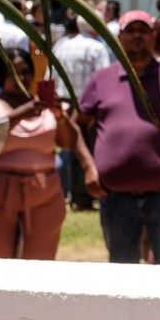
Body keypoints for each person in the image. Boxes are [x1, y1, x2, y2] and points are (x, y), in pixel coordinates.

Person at [78, 9, 160, 264]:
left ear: (154, 36)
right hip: (116, 197)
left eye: (143, 31)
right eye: (130, 31)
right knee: (122, 275)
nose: (137, 37)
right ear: (119, 38)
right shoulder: (102, 80)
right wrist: (88, 165)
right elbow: (76, 126)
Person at [0, 50, 83, 258]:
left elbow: (69, 142)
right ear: (2, 76)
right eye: (14, 73)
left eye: (27, 72)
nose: (22, 78)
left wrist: (60, 116)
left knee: (38, 267)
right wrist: (23, 113)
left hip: (44, 196)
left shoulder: (47, 106)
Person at [53, 11, 111, 212]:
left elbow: (51, 75)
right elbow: (104, 79)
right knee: (90, 149)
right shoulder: (97, 47)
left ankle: (76, 196)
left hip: (65, 102)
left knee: (72, 149)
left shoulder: (62, 45)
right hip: (89, 105)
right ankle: (89, 194)